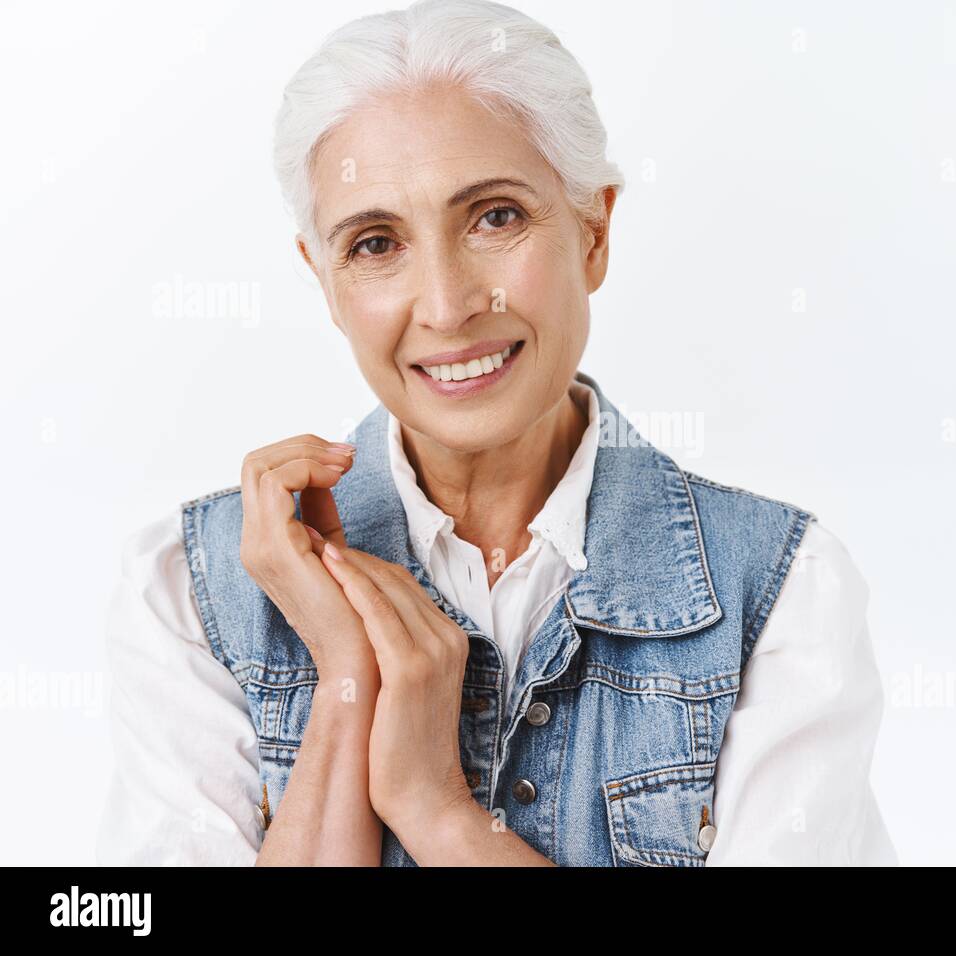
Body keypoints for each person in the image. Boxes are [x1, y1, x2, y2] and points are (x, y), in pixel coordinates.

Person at [97, 0, 897, 866]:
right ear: (323, 280)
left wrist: (433, 806)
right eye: (374, 243)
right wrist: (347, 685)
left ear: (593, 231)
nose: (447, 307)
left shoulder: (779, 595)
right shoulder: (189, 595)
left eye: (495, 217)